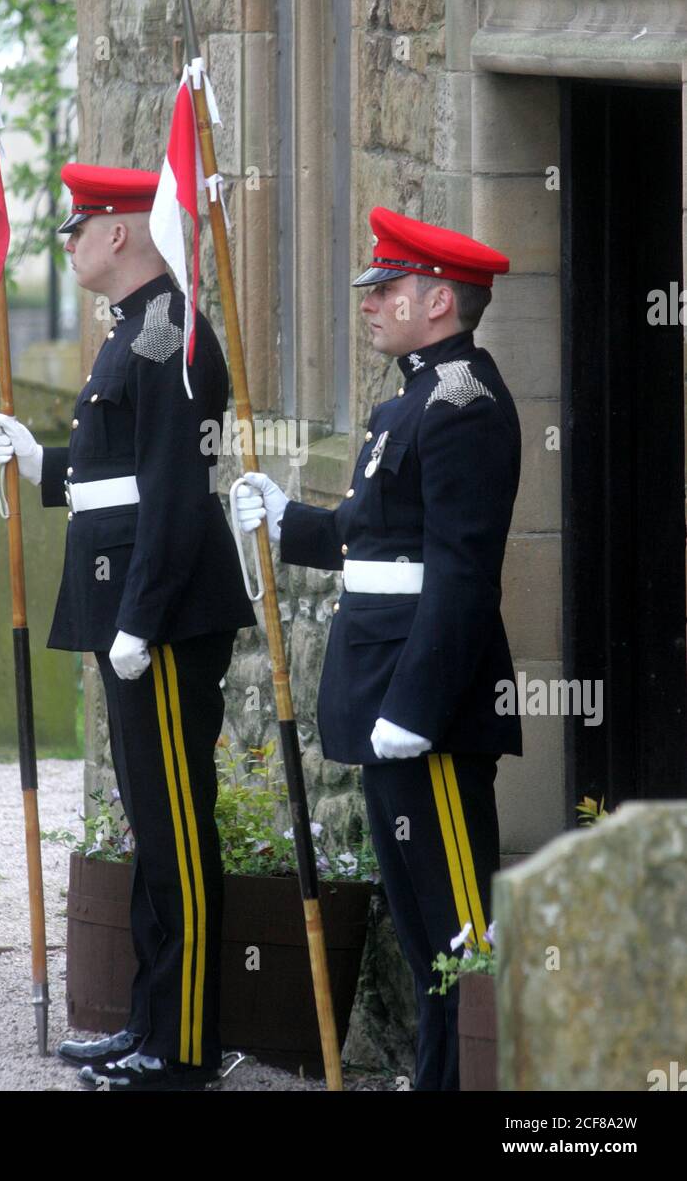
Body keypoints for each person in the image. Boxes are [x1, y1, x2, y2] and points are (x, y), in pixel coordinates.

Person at [234, 206, 522, 1091]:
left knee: (459, 928)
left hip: (422, 705)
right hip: (386, 687)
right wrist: (289, 525)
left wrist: (418, 707)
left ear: (439, 300)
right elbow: (371, 535)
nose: (371, 303)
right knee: (421, 926)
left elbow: (463, 574)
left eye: (387, 289)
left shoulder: (463, 403)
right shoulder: (411, 397)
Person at [0, 162, 257, 1091]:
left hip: (167, 618)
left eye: (77, 226)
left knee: (177, 831)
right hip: (137, 611)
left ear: (118, 232)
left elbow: (178, 497)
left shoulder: (167, 335)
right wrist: (44, 467)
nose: (66, 243)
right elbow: (123, 473)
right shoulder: (135, 333)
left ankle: (183, 1047)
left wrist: (140, 619)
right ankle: (151, 1020)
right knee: (153, 826)